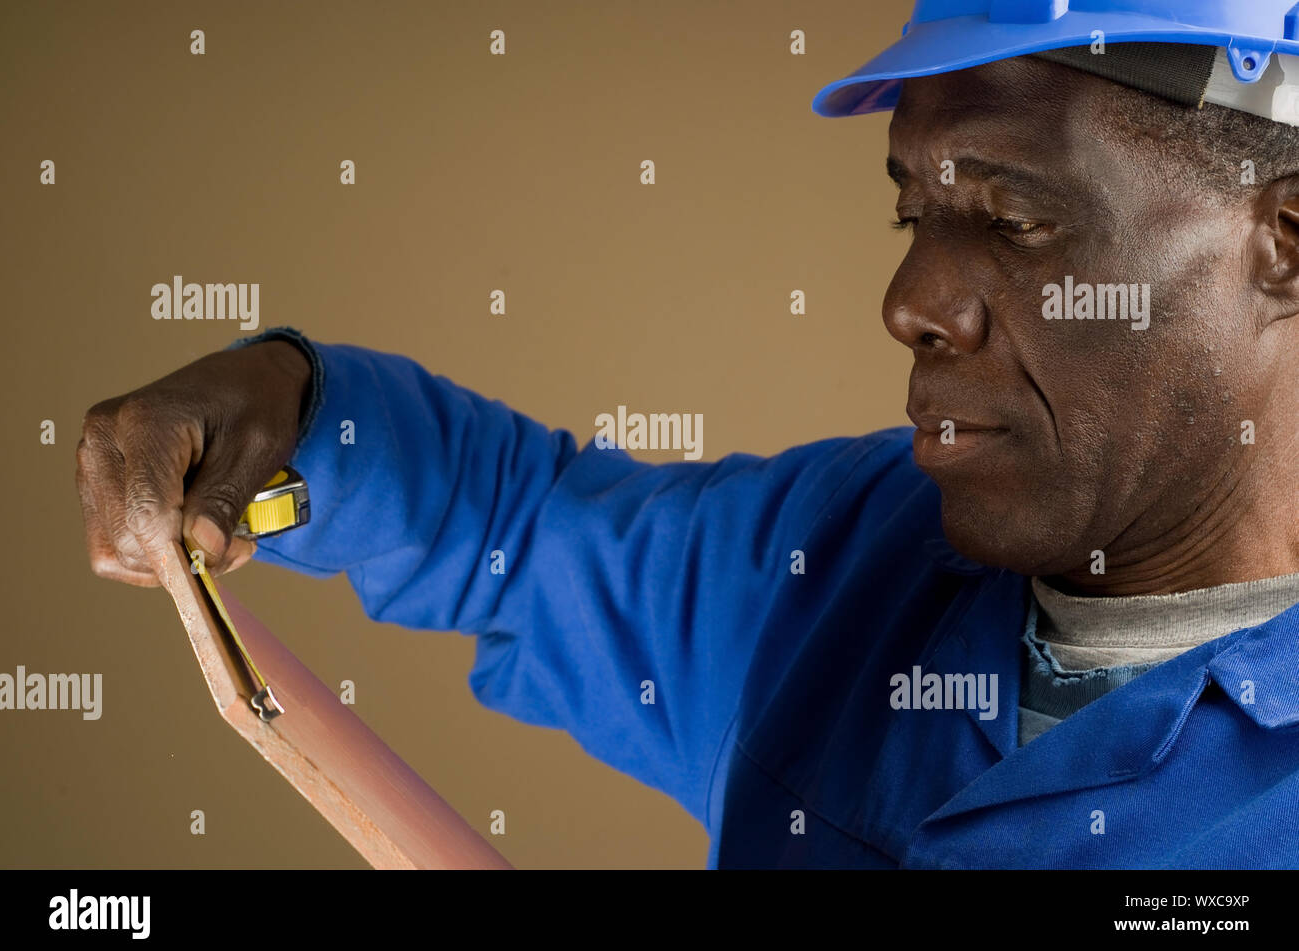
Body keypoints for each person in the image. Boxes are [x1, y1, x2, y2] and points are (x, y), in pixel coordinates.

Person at [75, 1, 1299, 866]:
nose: (912, 303)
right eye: (910, 214)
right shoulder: (846, 563)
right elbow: (514, 527)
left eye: (1013, 219)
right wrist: (288, 402)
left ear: (1282, 241)